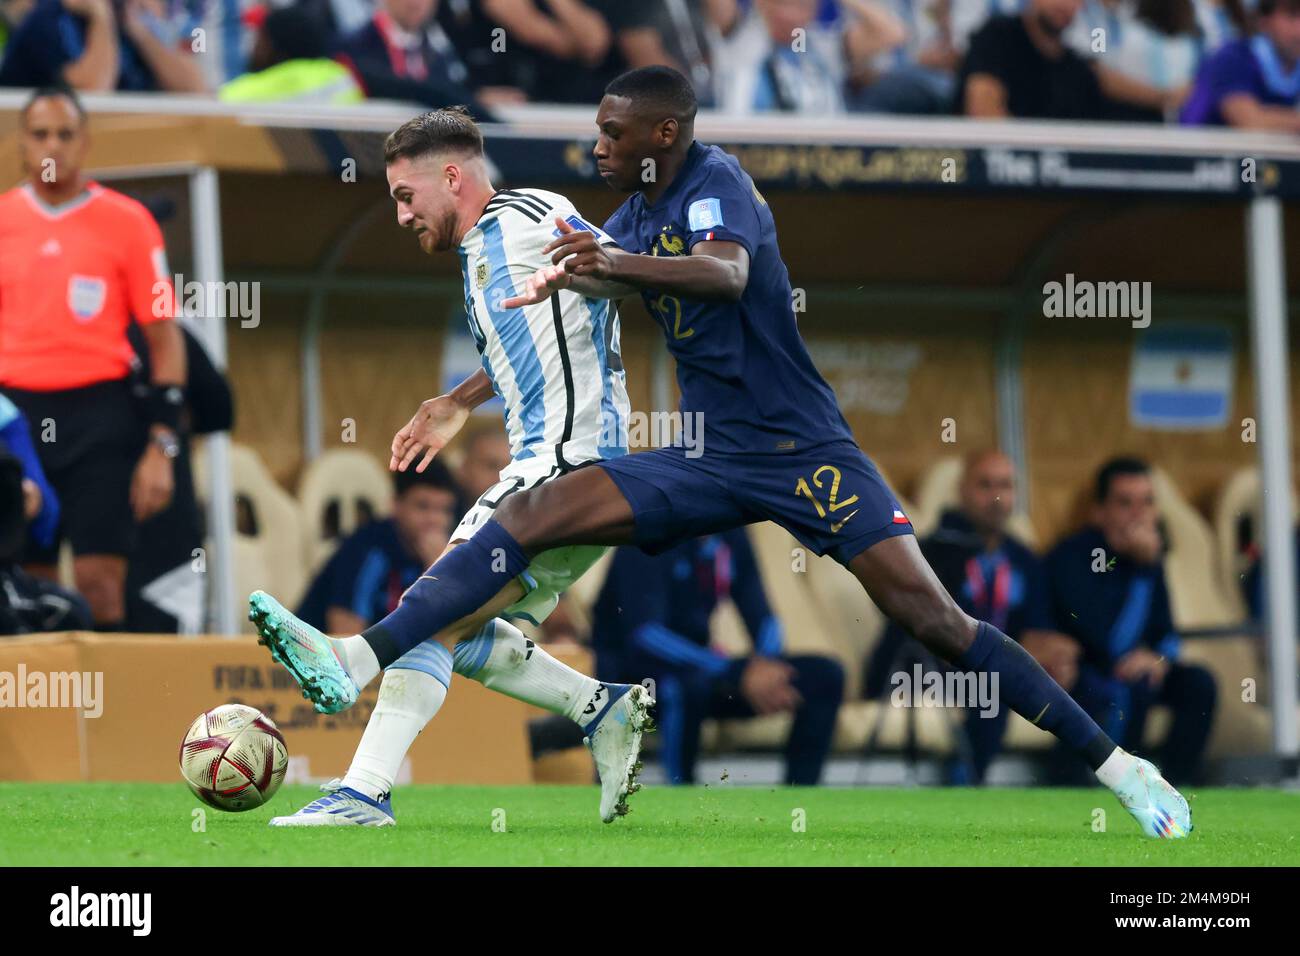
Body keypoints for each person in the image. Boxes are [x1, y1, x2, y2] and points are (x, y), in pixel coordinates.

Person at [251, 68, 1192, 838]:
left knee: (937, 622)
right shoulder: (623, 219)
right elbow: (571, 307)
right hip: (710, 454)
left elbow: (724, 276)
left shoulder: (717, 185)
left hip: (806, 452)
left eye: (615, 134)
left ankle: (1119, 764)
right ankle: (374, 665)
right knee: (528, 518)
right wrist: (462, 396)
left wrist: (606, 263)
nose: (599, 147)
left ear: (662, 135)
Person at [261, 106, 650, 829]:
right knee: (458, 629)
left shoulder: (529, 215)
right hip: (581, 476)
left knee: (431, 607)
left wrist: (621, 270)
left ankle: (362, 782)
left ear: (451, 176)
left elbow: (620, 271)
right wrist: (461, 399)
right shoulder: (482, 251)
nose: (401, 214)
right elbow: (538, 329)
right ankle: (601, 707)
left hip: (558, 473)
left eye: (407, 197)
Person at [0, 86, 186, 632]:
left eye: (65, 133)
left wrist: (162, 446)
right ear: (22, 144)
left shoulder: (128, 222)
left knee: (101, 586)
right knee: (21, 582)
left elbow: (164, 340)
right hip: (14, 419)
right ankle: (32, 714)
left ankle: (102, 716)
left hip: (100, 419)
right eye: (40, 134)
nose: (52, 145)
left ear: (85, 143)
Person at [865, 450, 1074, 784]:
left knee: (1089, 684)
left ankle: (1070, 787)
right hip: (916, 670)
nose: (996, 497)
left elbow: (1038, 632)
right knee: (992, 687)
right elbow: (923, 632)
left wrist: (1054, 654)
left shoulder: (1024, 559)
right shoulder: (931, 552)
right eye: (984, 485)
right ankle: (967, 786)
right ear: (961, 491)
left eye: (1005, 486)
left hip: (984, 671)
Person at [593, 529, 844, 785]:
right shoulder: (648, 537)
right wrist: (736, 670)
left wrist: (766, 669)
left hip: (703, 671)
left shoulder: (731, 534)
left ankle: (800, 797)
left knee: (825, 676)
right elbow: (646, 635)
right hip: (638, 679)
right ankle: (681, 795)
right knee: (685, 688)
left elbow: (763, 616)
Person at [1044, 457, 1217, 785]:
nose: (1139, 514)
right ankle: (1122, 788)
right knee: (1128, 685)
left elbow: (1166, 633)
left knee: (1198, 683)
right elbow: (1108, 644)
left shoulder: (1147, 557)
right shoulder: (1074, 558)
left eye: (1147, 502)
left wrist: (1159, 659)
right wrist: (1142, 571)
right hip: (1086, 676)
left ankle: (1178, 785)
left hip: (1135, 672)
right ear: (1099, 511)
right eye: (1125, 503)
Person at [123, 321, 233, 634]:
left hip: (167, 534)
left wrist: (165, 430)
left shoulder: (165, 334)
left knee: (168, 657)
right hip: (105, 539)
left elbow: (219, 408)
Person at [296, 460, 461, 635]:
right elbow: (346, 638)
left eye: (445, 510)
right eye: (422, 506)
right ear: (395, 505)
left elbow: (458, 636)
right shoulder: (367, 550)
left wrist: (438, 571)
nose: (434, 520)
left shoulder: (447, 551)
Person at [0, 0, 208, 92]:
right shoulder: (47, 19)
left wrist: (142, 32)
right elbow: (94, 95)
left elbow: (197, 93)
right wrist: (101, 17)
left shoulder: (131, 17)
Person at [1179, 0, 1300, 129]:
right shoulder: (1233, 57)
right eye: (1291, 16)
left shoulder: (1294, 63)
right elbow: (1250, 122)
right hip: (1196, 146)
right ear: (1264, 22)